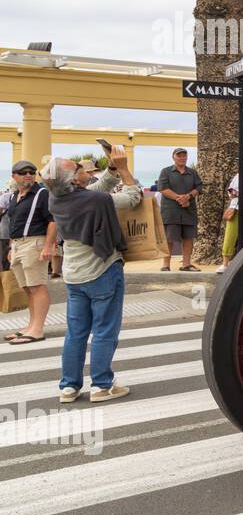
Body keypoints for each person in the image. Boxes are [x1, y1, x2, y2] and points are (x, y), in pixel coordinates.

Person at [42, 148, 141, 403]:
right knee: (105, 330)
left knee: (76, 333)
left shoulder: (55, 198)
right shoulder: (94, 202)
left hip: (73, 274)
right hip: (102, 270)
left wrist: (110, 171)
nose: (83, 169)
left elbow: (94, 192)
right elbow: (133, 197)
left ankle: (69, 387)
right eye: (78, 168)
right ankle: (101, 385)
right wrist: (125, 169)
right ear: (75, 179)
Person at [3, 160, 56, 345]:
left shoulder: (42, 194)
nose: (28, 175)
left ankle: (37, 329)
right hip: (18, 244)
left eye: (32, 172)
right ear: (14, 176)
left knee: (37, 286)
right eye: (23, 172)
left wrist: (48, 246)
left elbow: (52, 220)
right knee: (27, 288)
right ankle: (30, 326)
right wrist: (11, 247)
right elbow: (14, 223)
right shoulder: (14, 196)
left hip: (34, 242)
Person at [155, 148, 203, 271]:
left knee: (188, 237)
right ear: (174, 157)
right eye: (179, 156)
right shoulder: (165, 171)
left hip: (188, 210)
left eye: (184, 156)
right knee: (169, 238)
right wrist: (179, 198)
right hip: (171, 211)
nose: (182, 158)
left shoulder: (193, 172)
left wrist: (188, 196)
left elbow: (199, 187)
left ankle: (186, 264)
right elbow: (162, 188)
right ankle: (166, 265)